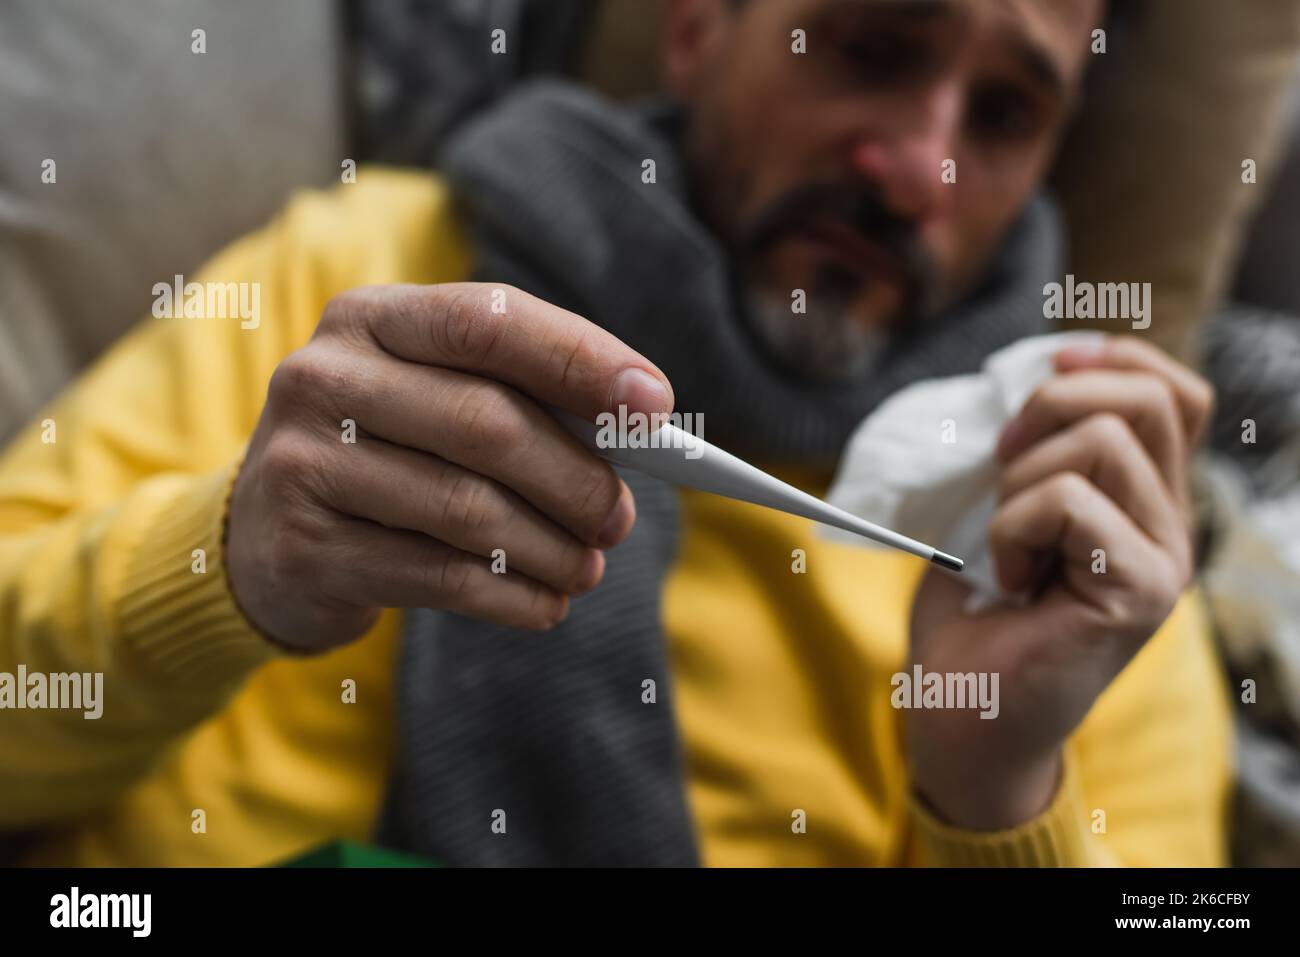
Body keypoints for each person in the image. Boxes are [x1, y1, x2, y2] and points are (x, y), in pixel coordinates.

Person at [0, 0, 1228, 866]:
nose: (917, 168)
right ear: (696, 30)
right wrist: (228, 566)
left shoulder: (1086, 552)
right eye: (865, 46)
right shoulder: (365, 275)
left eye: (1005, 117)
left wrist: (995, 791)